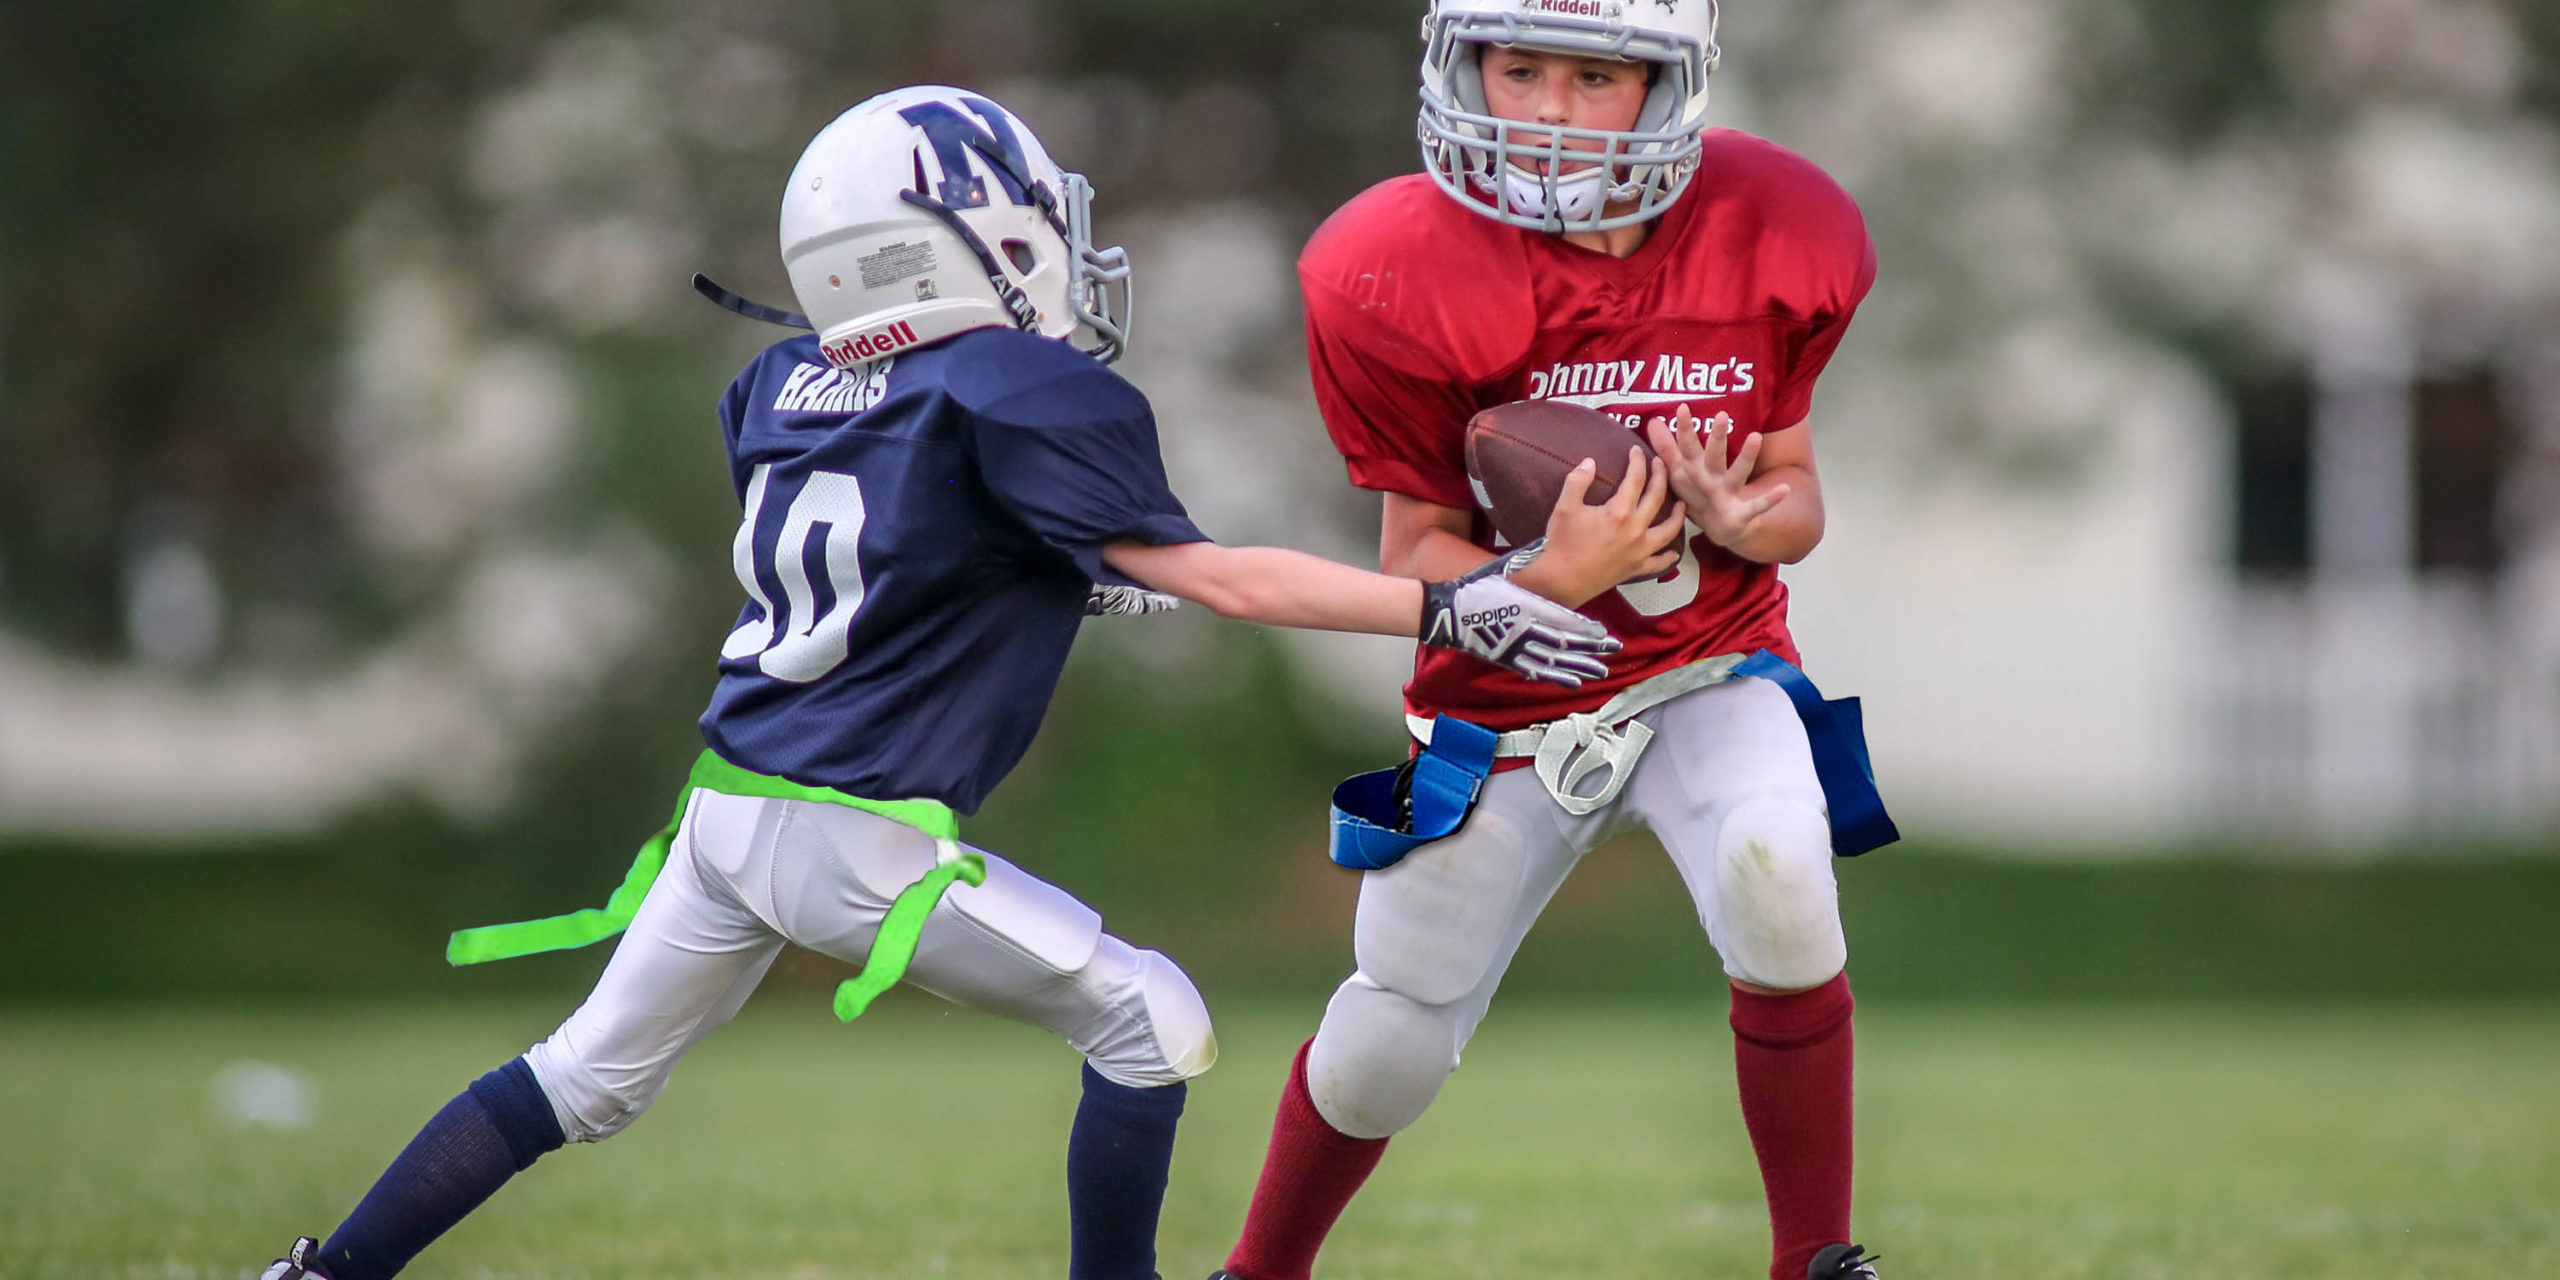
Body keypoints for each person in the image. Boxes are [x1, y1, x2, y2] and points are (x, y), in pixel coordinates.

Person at [256, 84, 1619, 1280]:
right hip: (849, 836)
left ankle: (328, 1271)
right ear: (965, 241)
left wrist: (1073, 574)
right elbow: (1226, 579)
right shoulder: (1010, 385)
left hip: (726, 810)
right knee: (1154, 1021)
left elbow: (919, 551)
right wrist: (1455, 602)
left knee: (581, 1079)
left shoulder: (784, 381)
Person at [1209, 3, 1893, 1280]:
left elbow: (1793, 494)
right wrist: (1546, 574)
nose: (1551, 110)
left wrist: (1751, 512)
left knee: (1778, 864)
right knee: (1390, 1040)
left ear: (1670, 86)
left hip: (1706, 661)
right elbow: (1414, 554)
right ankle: (1259, 1268)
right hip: (1507, 697)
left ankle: (1813, 1257)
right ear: (1464, 65)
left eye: (1595, 76)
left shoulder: (1776, 225)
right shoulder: (1388, 262)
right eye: (1519, 69)